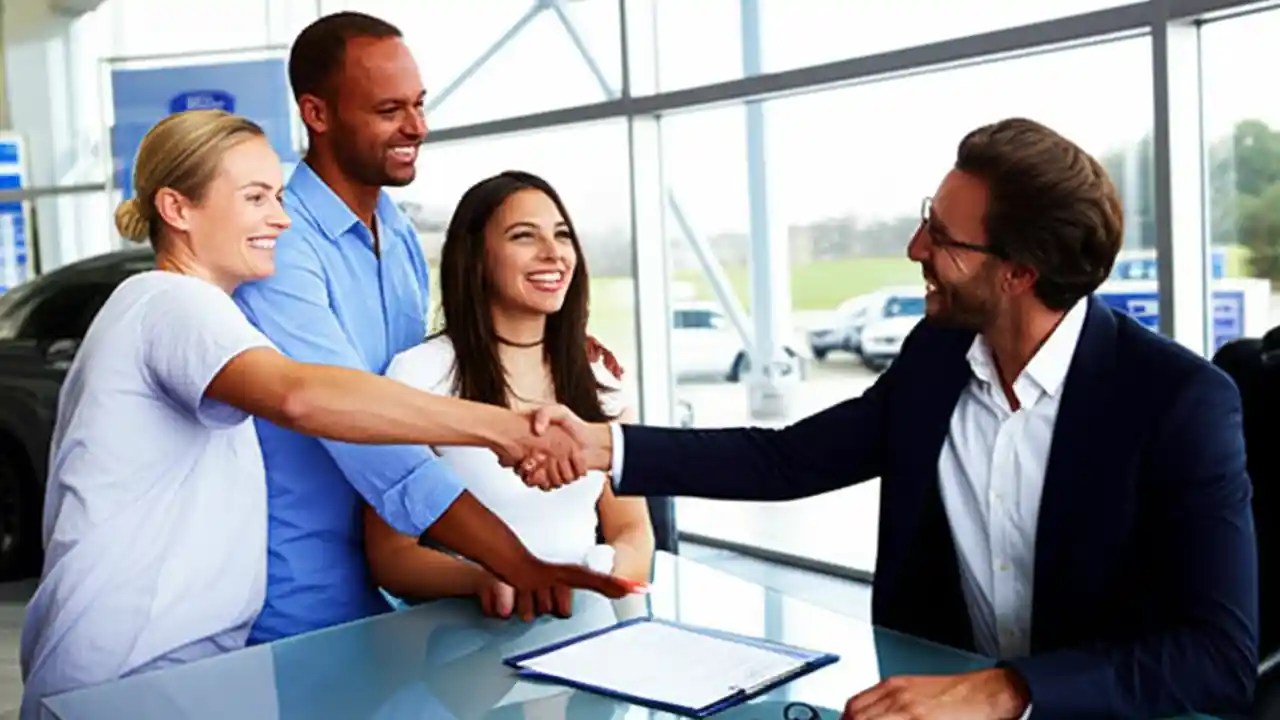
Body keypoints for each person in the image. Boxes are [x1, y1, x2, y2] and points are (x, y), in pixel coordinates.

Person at [529, 118, 1260, 719]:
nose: (916, 249)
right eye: (925, 221)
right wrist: (601, 445)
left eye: (941, 237)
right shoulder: (937, 355)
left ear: (1020, 272)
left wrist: (1008, 690)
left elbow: (1217, 659)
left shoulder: (1176, 401)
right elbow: (789, 460)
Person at [18, 110, 631, 720]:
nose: (281, 218)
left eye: (279, 197)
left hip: (184, 659)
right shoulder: (170, 303)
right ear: (177, 209)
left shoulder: (201, 314)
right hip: (130, 667)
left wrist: (548, 352)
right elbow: (304, 398)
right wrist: (502, 427)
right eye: (256, 197)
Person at [231, 11, 625, 644]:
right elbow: (363, 427)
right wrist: (506, 554)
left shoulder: (400, 233)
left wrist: (543, 346)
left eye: (418, 104)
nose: (416, 127)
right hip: (303, 586)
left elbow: (426, 369)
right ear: (317, 113)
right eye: (389, 110)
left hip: (398, 588)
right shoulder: (283, 243)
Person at [364, 171, 655, 621]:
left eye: (562, 235)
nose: (553, 252)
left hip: (582, 631)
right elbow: (392, 557)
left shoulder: (600, 375)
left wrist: (606, 573)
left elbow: (632, 527)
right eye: (524, 236)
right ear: (476, 258)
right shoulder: (419, 375)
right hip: (464, 644)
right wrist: (487, 578)